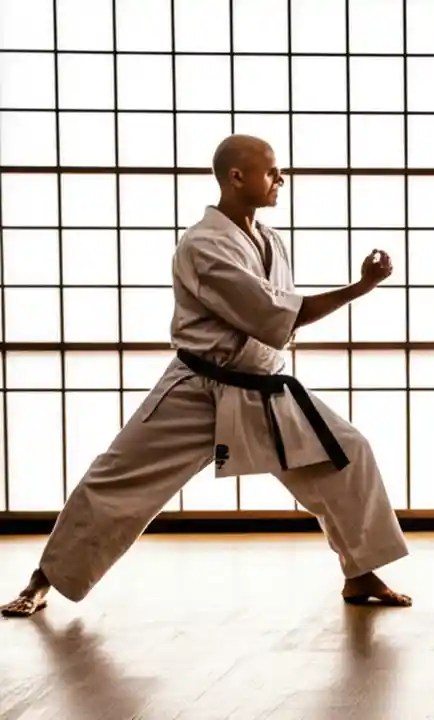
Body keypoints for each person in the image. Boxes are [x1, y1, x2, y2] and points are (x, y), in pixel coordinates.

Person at [0, 134, 412, 618]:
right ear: (236, 177)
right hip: (198, 389)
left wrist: (351, 290)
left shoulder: (269, 239)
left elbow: (278, 316)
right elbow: (275, 313)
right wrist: (360, 287)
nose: (281, 179)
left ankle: (360, 572)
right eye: (271, 171)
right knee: (116, 480)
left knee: (348, 454)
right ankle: (43, 579)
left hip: (262, 385)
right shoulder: (203, 244)